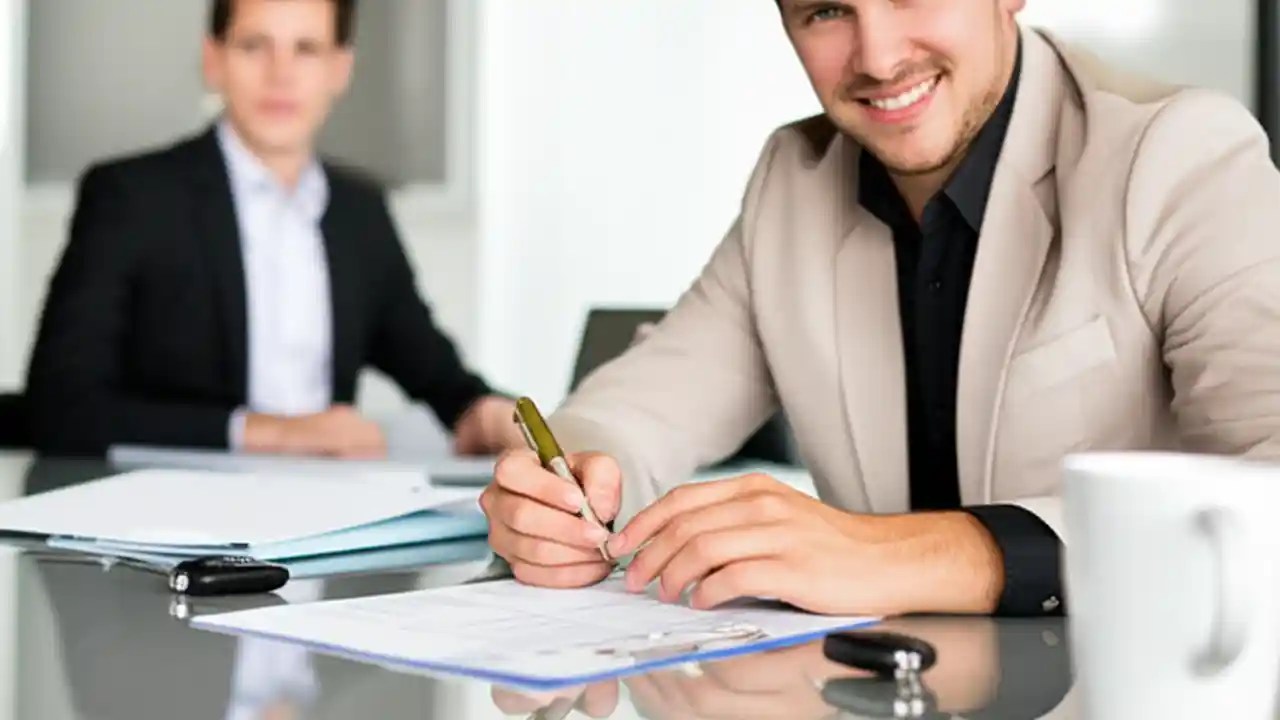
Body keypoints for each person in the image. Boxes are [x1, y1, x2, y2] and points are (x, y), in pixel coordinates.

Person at [481, 0, 1280, 617]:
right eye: (827, 10)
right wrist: (562, 493)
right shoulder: (793, 182)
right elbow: (636, 411)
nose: (879, 56)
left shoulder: (1180, 154)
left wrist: (898, 554)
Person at [27, 0, 523, 458]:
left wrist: (483, 411)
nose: (280, 74)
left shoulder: (359, 210)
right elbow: (59, 405)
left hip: (325, 520)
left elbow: (435, 371)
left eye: (306, 49)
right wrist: (276, 434)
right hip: (165, 520)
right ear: (214, 59)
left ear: (340, 68)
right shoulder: (132, 197)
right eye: (253, 45)